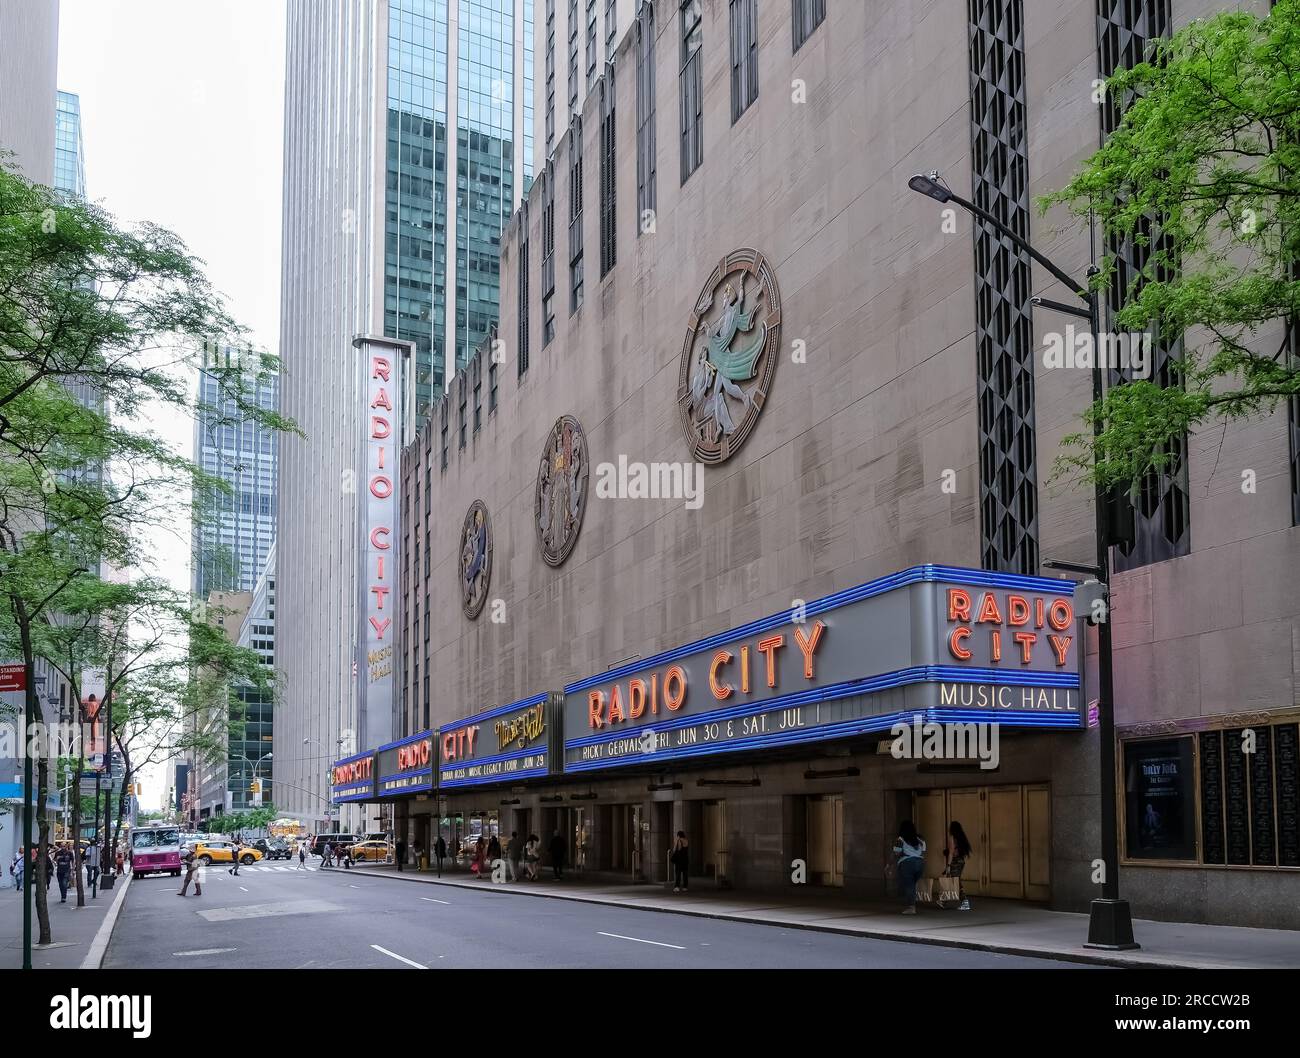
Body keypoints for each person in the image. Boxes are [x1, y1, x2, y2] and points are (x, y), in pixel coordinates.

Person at [893, 820, 927, 915]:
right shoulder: (920, 839)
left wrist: (889, 865)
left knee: (909, 885)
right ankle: (913, 903)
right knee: (913, 884)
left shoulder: (900, 839)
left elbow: (896, 853)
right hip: (920, 863)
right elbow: (923, 852)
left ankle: (911, 907)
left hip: (907, 863)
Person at [943, 820, 974, 912]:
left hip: (955, 861)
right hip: (961, 861)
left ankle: (965, 901)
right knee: (955, 880)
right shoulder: (961, 838)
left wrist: (948, 865)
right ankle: (943, 900)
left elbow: (951, 853)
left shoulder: (952, 838)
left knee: (955, 882)